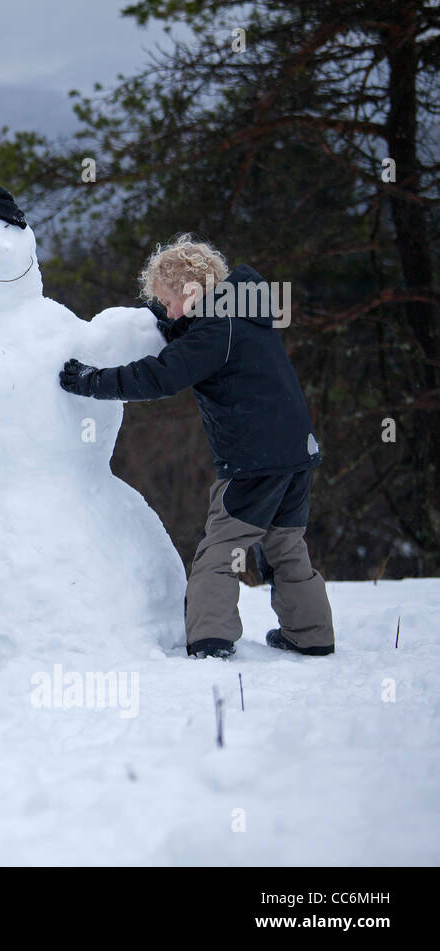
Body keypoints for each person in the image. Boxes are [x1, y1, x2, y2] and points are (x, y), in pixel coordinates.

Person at [58, 235, 335, 658]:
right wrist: (172, 320)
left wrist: (90, 381)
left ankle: (210, 639)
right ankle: (311, 634)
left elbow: (163, 375)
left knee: (221, 549)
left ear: (191, 290)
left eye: (169, 301)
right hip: (296, 453)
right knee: (285, 546)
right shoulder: (239, 314)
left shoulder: (218, 327)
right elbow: (194, 337)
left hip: (254, 461)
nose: (167, 311)